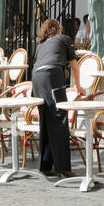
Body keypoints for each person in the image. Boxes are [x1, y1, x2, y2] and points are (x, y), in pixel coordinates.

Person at [31, 18, 76, 178]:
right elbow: (74, 64)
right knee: (59, 118)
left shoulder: (40, 44)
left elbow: (36, 63)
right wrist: (78, 85)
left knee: (45, 120)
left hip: (36, 79)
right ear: (58, 29)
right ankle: (63, 167)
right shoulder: (64, 39)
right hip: (51, 76)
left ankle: (45, 165)